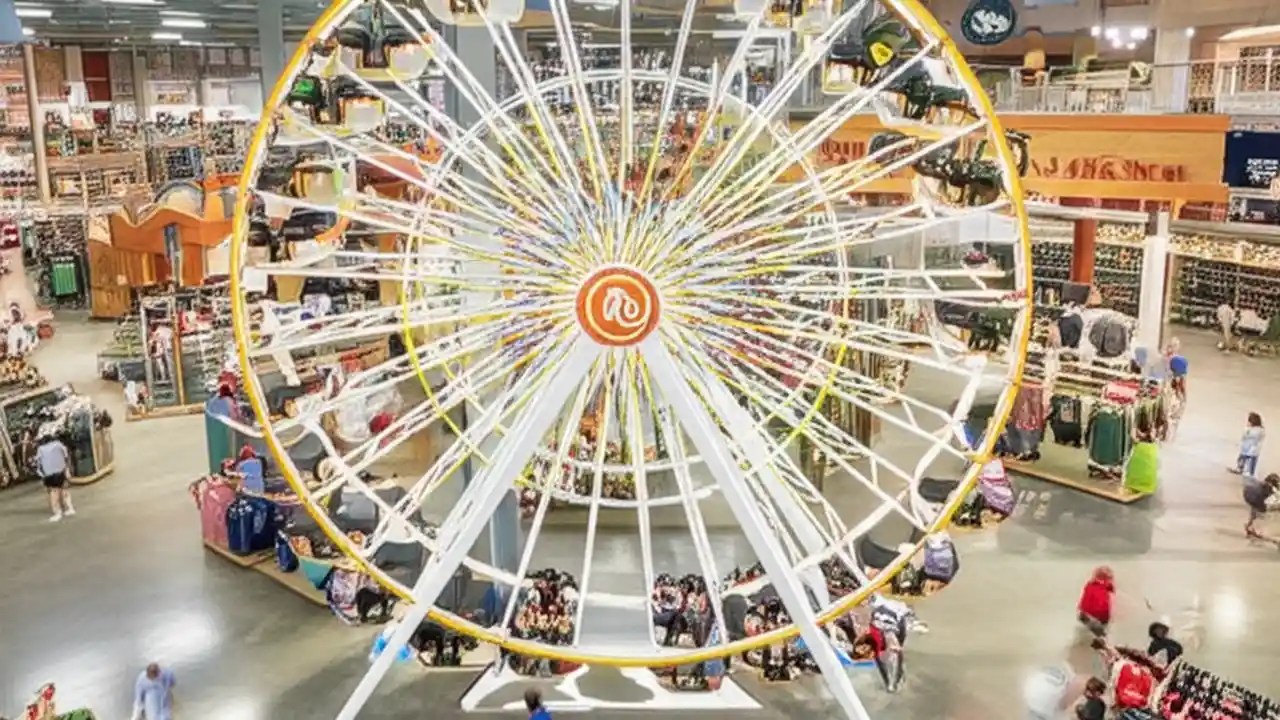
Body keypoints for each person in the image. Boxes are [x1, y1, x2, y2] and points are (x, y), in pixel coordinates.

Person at [35, 432, 74, 522]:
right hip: (61, 470)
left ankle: (57, 512)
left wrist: (41, 474)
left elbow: (38, 463)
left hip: (49, 473)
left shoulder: (40, 449)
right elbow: (66, 456)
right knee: (64, 489)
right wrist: (67, 469)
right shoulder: (58, 444)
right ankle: (69, 508)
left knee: (53, 492)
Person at [1077, 566, 1114, 638]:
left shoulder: (1089, 585)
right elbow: (1104, 607)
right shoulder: (1106, 587)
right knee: (1102, 637)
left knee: (1085, 636)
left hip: (1083, 615)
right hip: (1098, 618)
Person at [1243, 473, 1280, 540]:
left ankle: (1249, 526)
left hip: (1248, 493)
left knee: (1255, 511)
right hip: (1256, 498)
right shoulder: (1268, 488)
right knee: (1261, 511)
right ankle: (1253, 528)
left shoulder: (1261, 484)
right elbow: (1273, 499)